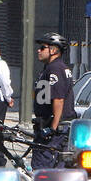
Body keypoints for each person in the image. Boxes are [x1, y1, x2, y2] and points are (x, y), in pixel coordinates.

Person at [33, 32, 74, 169]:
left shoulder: (55, 68)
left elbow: (58, 100)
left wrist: (52, 129)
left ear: (53, 50)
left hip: (53, 131)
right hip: (46, 125)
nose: (38, 50)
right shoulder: (50, 67)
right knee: (52, 172)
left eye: (42, 48)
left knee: (43, 170)